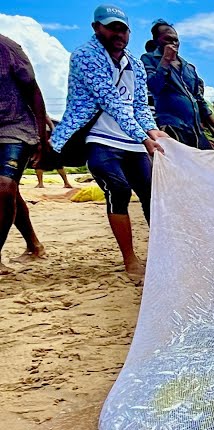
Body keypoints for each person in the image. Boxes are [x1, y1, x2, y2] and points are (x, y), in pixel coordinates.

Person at [51, 5, 168, 282]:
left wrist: (152, 130)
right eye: (111, 27)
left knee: (152, 193)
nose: (118, 33)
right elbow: (110, 101)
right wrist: (143, 136)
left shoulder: (135, 64)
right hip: (98, 136)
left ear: (129, 32)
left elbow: (139, 105)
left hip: (132, 139)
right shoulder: (84, 56)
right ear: (97, 28)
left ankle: (162, 255)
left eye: (122, 28)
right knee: (118, 189)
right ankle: (130, 259)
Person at [1, 33, 50, 272]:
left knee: (4, 187)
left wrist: (41, 137)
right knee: (9, 193)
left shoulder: (8, 49)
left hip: (16, 126)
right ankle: (33, 245)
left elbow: (33, 91)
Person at [141, 20, 214, 150]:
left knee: (207, 165)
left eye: (176, 40)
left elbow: (201, 103)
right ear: (156, 41)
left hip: (196, 131)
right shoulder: (149, 59)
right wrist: (165, 60)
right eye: (168, 39)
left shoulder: (189, 67)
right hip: (172, 129)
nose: (173, 43)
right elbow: (154, 87)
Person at [34, 119, 73, 190]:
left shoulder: (41, 113)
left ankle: (66, 183)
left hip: (46, 136)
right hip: (40, 136)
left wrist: (53, 136)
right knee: (39, 162)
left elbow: (50, 123)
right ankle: (40, 183)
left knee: (57, 161)